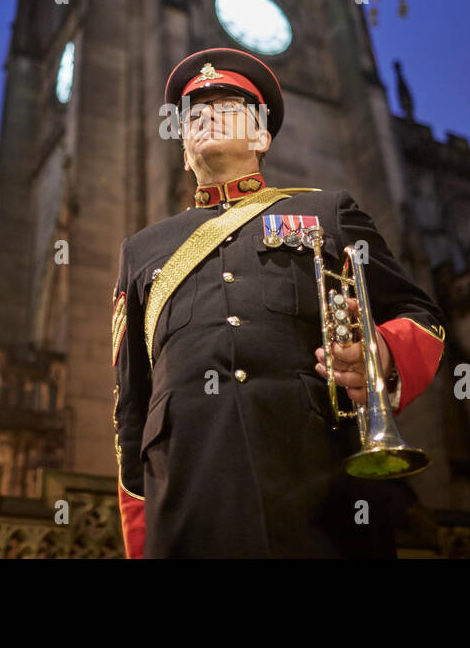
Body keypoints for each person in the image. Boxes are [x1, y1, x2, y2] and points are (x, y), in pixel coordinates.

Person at [111, 47, 447, 557]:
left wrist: (379, 354)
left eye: (227, 107)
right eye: (193, 115)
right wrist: (140, 542)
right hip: (186, 499)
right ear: (183, 149)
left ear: (262, 136)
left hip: (322, 489)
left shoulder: (327, 211)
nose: (205, 117)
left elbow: (421, 317)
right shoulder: (141, 251)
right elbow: (131, 407)